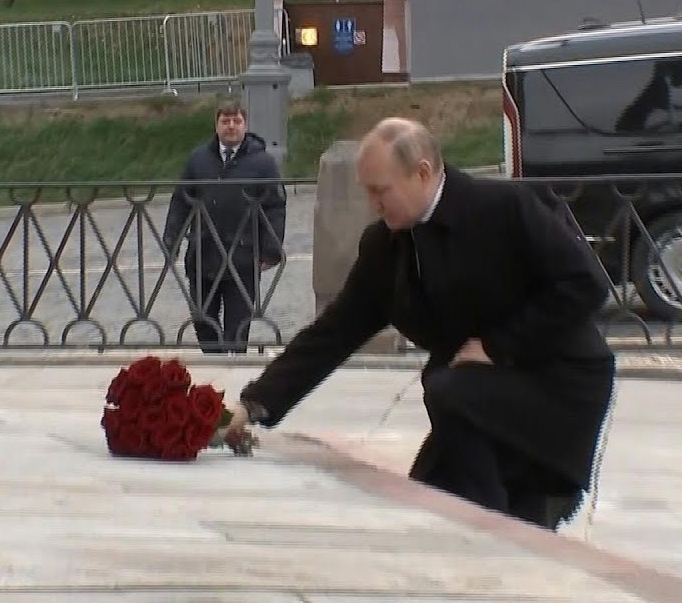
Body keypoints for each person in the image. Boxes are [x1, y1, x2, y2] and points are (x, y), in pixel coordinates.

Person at [222, 117, 616, 530]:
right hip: (474, 396)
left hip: (558, 384)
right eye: (367, 192)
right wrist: (251, 405)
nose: (373, 204)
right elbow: (332, 333)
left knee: (451, 399)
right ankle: (504, 533)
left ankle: (500, 536)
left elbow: (585, 284)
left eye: (381, 191)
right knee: (427, 497)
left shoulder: (503, 208)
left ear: (422, 173)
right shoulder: (384, 248)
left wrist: (498, 345)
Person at [162, 102, 286, 354]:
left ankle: (234, 370)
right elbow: (180, 201)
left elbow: (274, 207)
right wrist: (171, 240)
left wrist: (271, 249)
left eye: (236, 121)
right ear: (216, 125)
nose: (231, 126)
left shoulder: (263, 163)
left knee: (238, 326)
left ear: (245, 124)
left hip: (243, 255)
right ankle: (213, 364)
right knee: (202, 318)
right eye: (225, 121)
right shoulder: (198, 160)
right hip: (202, 254)